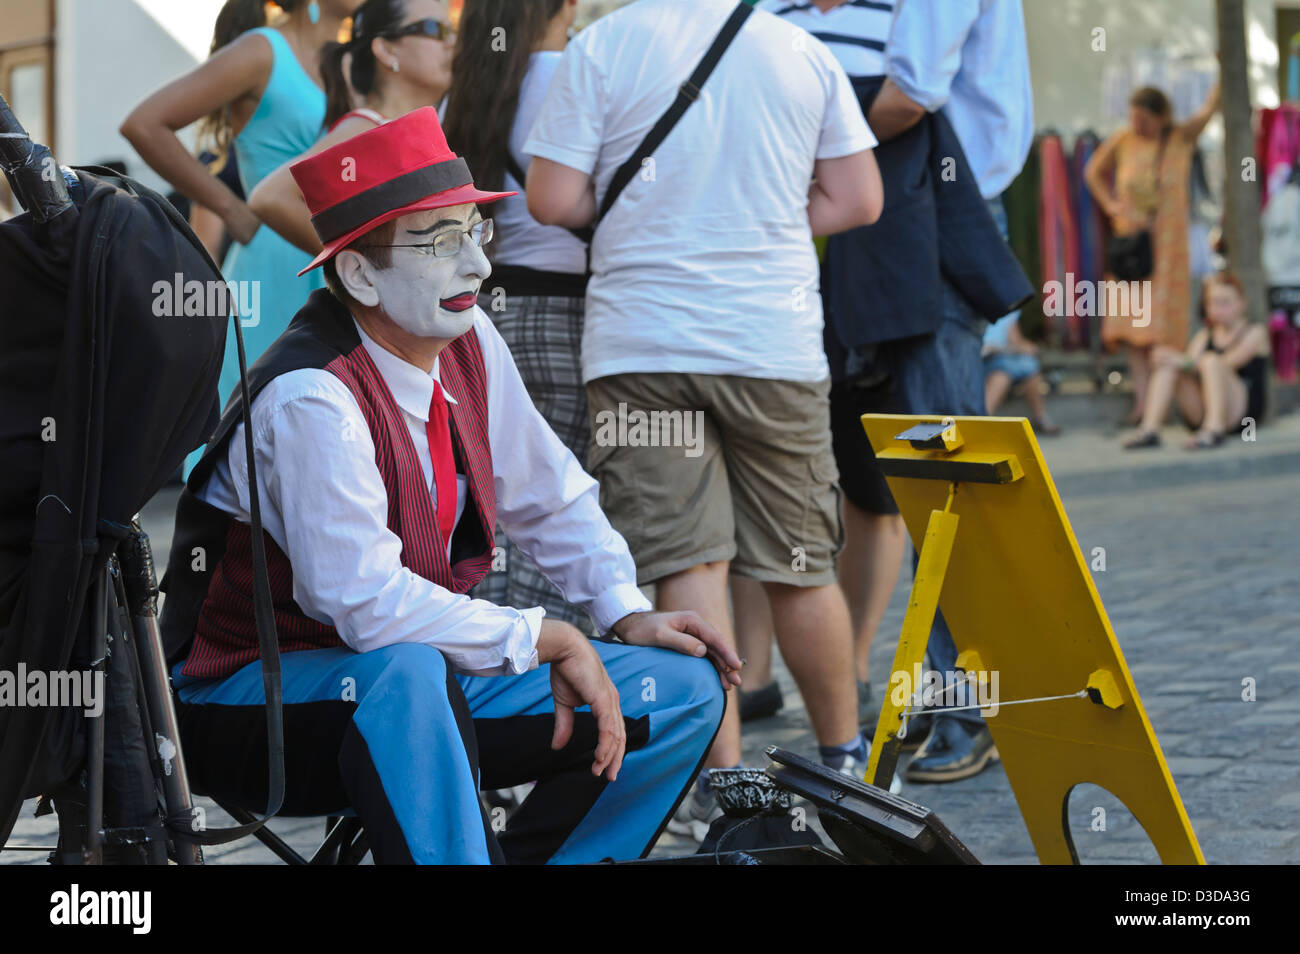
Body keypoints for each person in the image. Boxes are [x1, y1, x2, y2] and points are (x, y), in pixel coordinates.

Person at [159, 107, 738, 865]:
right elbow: (364, 604)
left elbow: (549, 491)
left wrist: (622, 612)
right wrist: (541, 635)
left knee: (688, 690)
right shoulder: (310, 397)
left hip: (407, 682)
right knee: (406, 671)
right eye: (440, 241)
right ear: (359, 272)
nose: (478, 266)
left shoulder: (468, 338)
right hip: (246, 704)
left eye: (476, 232)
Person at [523, 0, 883, 840]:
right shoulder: (800, 48)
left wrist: (646, 219)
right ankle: (845, 766)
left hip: (640, 343)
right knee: (799, 562)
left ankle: (727, 793)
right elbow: (859, 197)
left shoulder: (600, 46)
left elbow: (549, 198)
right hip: (771, 343)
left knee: (690, 561)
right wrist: (765, 223)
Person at [864, 0, 1036, 783]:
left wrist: (810, 140)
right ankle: (948, 695)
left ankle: (970, 701)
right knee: (931, 472)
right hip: (929, 207)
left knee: (944, 473)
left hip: (935, 210)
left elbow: (909, 91)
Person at [750, 0, 908, 732]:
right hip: (769, 276)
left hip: (871, 255)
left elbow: (920, 106)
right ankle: (750, 671)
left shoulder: (899, 16)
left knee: (871, 480)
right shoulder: (761, 16)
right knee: (745, 476)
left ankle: (857, 657)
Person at [122, 0, 364, 476]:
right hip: (276, 264)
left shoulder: (356, 58)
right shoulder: (263, 51)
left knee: (337, 452)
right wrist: (232, 208)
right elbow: (145, 123)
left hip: (342, 259)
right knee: (257, 447)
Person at [441, 0, 594, 634]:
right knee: (559, 495)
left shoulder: (464, 94)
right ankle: (546, 667)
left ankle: (490, 648)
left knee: (493, 496)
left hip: (485, 312)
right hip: (571, 309)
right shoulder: (577, 73)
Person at [249, 0, 458, 253]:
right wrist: (374, 266)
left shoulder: (393, 128)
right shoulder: (369, 127)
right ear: (386, 50)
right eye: (435, 30)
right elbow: (270, 197)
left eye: (453, 31)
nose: (452, 43)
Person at [1085, 82, 1221, 425]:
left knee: (1160, 331)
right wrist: (1112, 205)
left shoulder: (1179, 139)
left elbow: (1208, 109)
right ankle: (1143, 405)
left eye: (1144, 119)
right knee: (1133, 332)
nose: (1138, 125)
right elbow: (1092, 174)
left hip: (1168, 252)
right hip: (1131, 249)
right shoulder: (1123, 139)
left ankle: (1170, 406)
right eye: (1134, 118)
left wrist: (1223, 72)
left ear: (1162, 117)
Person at [1123, 271, 1269, 450]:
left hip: (1242, 417)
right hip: (1201, 412)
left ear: (1241, 304)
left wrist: (1182, 361)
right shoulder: (1204, 336)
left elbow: (1228, 363)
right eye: (1213, 302)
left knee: (1211, 361)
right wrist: (1168, 359)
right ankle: (1149, 430)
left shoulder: (1255, 333)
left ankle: (1214, 429)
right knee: (1170, 365)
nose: (1218, 309)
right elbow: (1187, 365)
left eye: (1225, 302)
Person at [983, 312, 1061, 435]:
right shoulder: (1006, 308)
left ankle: (982, 420)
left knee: (1008, 373)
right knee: (1026, 369)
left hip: (996, 358)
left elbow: (1015, 341)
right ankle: (1041, 417)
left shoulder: (1003, 311)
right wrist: (1031, 348)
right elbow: (1016, 341)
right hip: (988, 359)